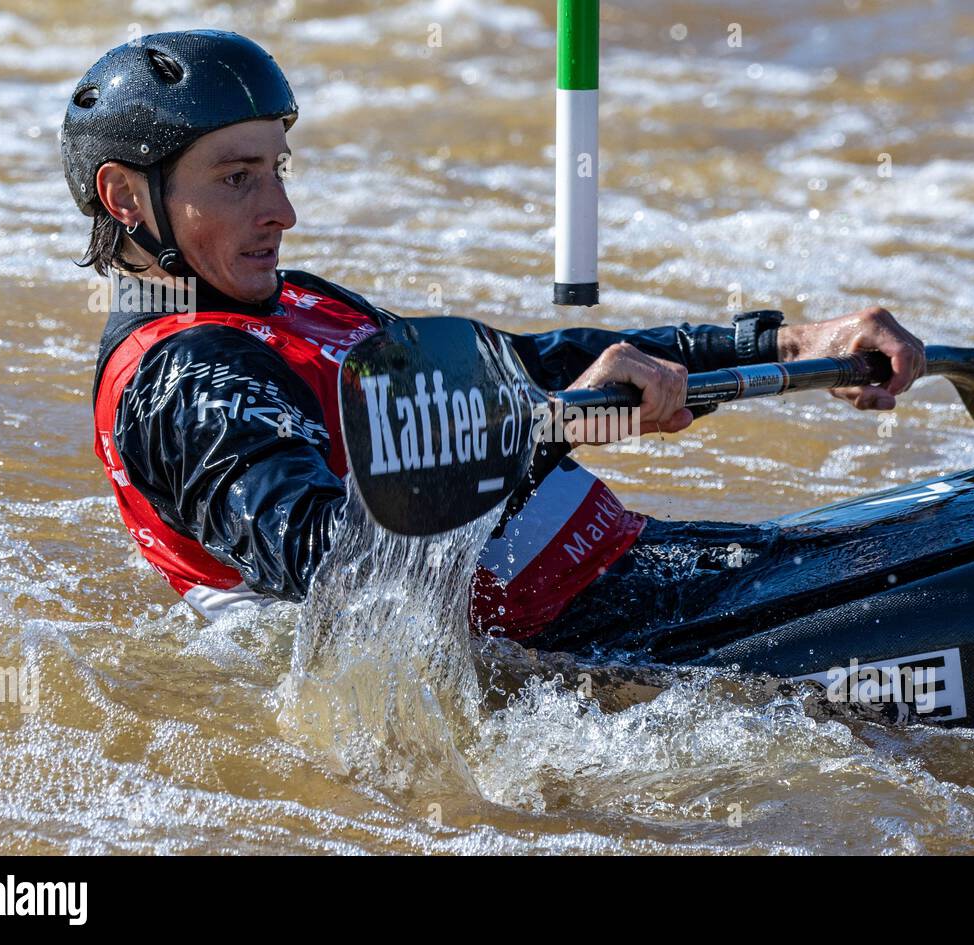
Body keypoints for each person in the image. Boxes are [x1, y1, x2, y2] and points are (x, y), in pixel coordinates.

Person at [65, 30, 925, 658]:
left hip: (625, 582)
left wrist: (787, 339)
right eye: (236, 176)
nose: (282, 212)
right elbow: (322, 560)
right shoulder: (182, 380)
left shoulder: (288, 305)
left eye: (278, 168)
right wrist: (545, 425)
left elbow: (532, 362)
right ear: (125, 198)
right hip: (572, 660)